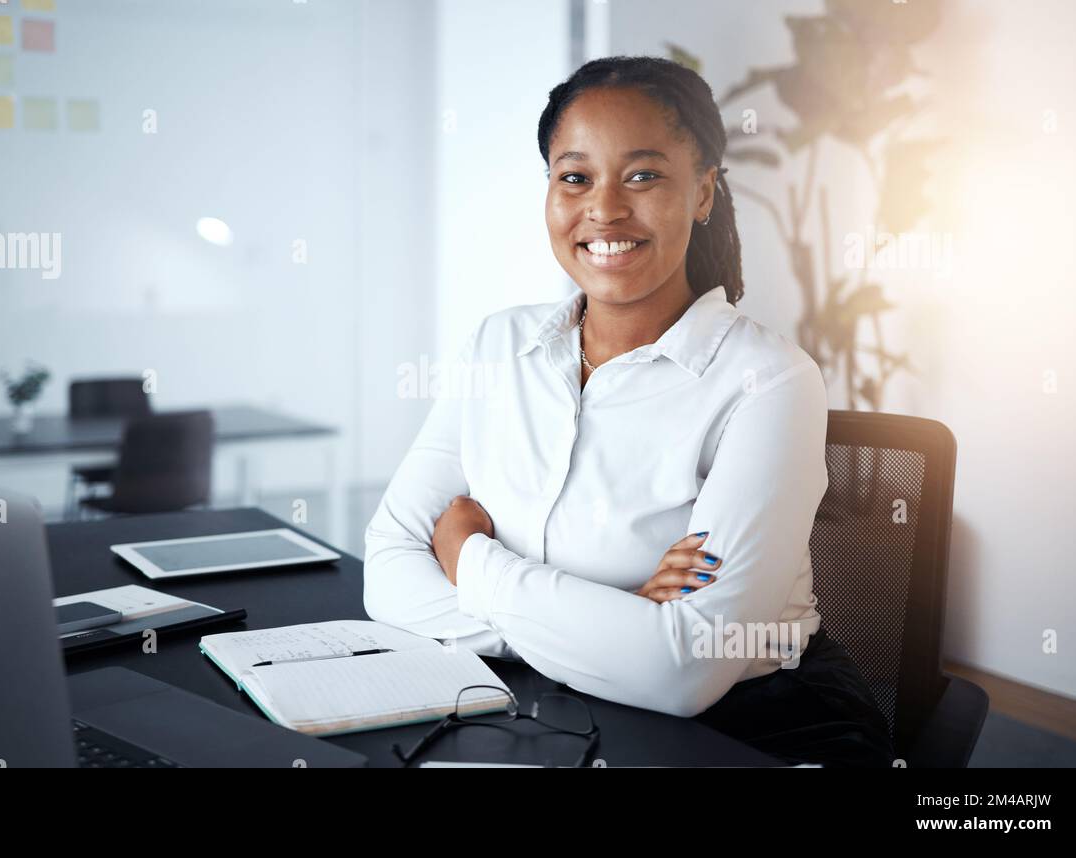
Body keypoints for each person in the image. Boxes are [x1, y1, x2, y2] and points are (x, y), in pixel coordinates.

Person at [363, 56, 893, 767]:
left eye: (643, 175)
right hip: (553, 705)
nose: (604, 210)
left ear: (703, 191)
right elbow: (387, 575)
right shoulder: (499, 346)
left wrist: (467, 558)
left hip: (755, 728)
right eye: (574, 177)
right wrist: (620, 621)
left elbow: (686, 670)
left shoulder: (769, 383)